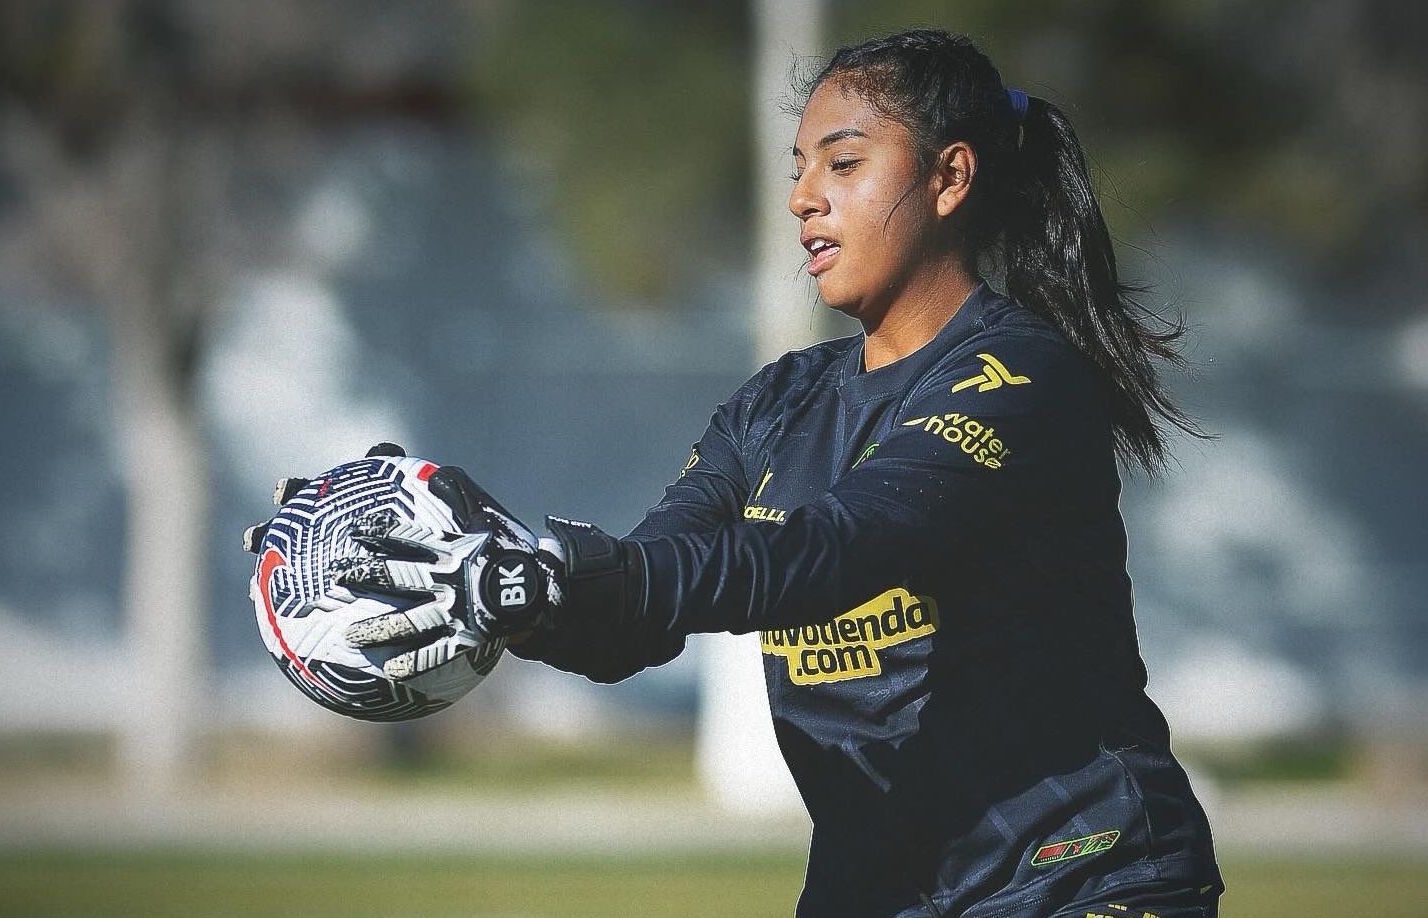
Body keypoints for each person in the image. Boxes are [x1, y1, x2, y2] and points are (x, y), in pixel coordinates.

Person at [270, 29, 1223, 918]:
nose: (804, 196)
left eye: (843, 163)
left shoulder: (1017, 375)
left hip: (1079, 873)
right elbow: (640, 606)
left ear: (949, 178)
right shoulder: (778, 404)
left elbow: (841, 551)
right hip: (883, 889)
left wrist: (567, 568)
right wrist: (504, 583)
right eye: (799, 168)